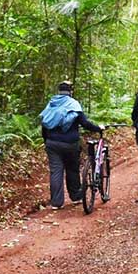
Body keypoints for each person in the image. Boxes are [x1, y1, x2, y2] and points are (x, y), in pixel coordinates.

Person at [40, 80, 103, 209]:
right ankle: (75, 197)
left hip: (52, 143)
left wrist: (47, 140)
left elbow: (44, 124)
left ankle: (56, 203)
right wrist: (98, 128)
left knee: (55, 172)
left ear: (59, 91)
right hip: (70, 143)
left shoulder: (51, 103)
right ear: (70, 91)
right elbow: (85, 123)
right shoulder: (73, 104)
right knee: (72, 170)